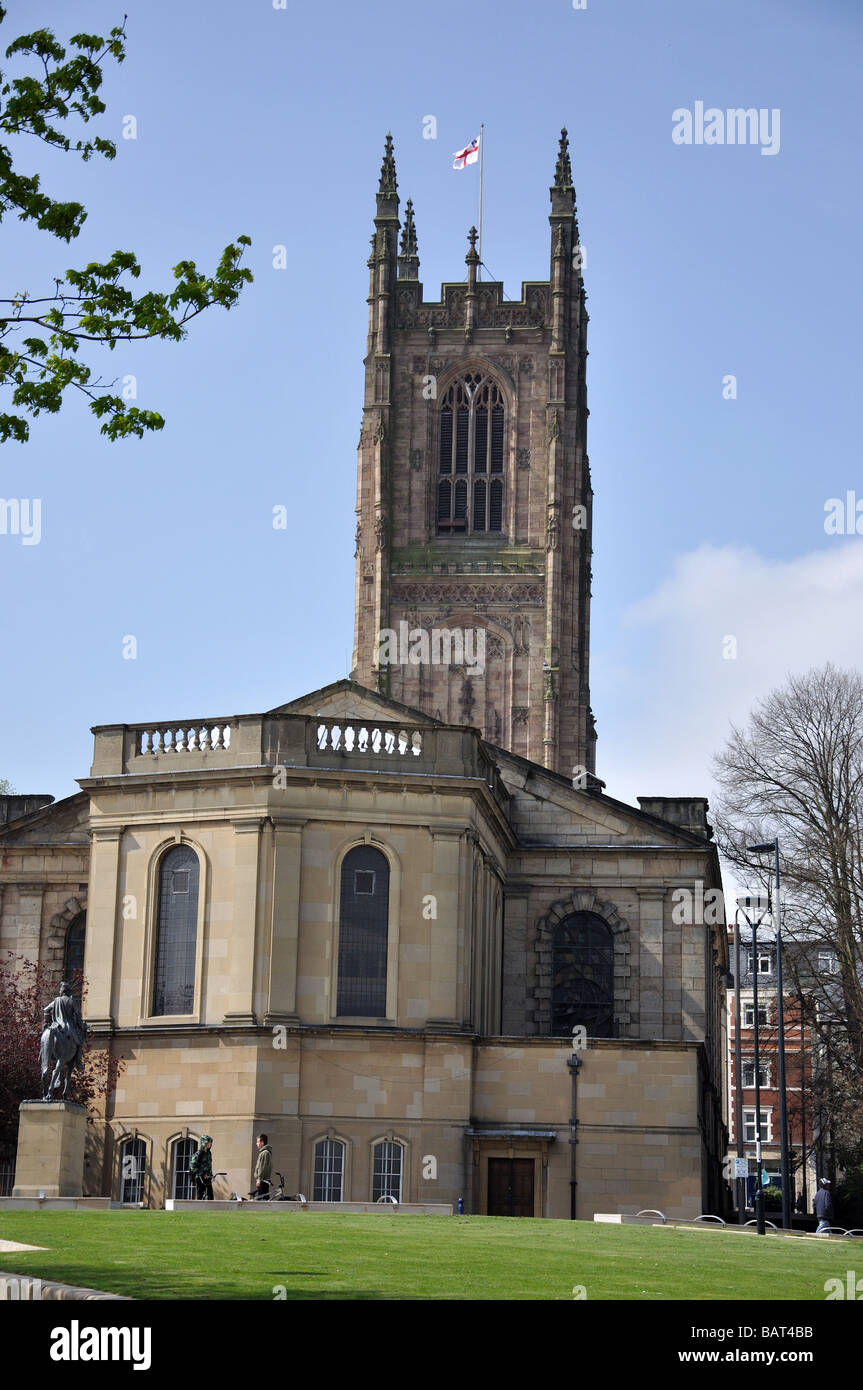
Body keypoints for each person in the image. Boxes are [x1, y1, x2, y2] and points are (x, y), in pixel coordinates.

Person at [190, 1134, 214, 1200]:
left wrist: (210, 1174)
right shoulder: (199, 1153)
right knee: (200, 1195)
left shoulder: (209, 1153)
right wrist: (202, 1174)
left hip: (208, 1178)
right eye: (208, 1142)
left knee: (210, 1196)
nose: (210, 1144)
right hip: (200, 1178)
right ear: (204, 1143)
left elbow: (209, 1166)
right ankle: (198, 1209)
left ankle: (210, 1209)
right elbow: (193, 1166)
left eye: (210, 1142)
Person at [252, 1133, 273, 1199]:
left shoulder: (264, 1153)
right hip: (264, 1181)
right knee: (265, 1200)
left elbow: (262, 1167)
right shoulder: (266, 1152)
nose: (256, 1144)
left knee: (262, 1201)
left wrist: (259, 1179)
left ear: (262, 1142)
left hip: (263, 1181)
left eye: (258, 1142)